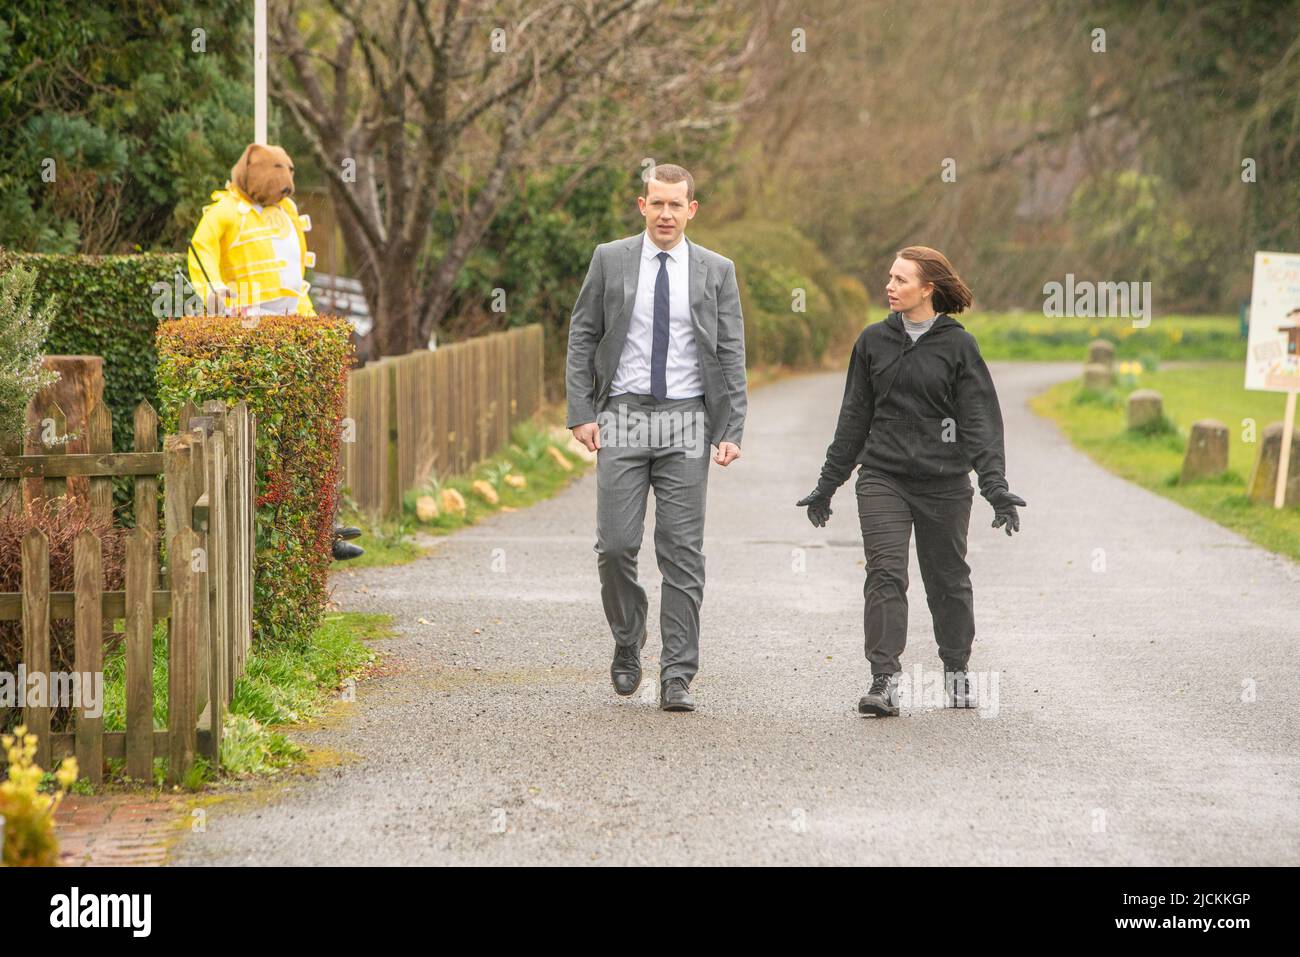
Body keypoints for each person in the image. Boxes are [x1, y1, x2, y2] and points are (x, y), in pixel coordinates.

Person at [796, 246, 1025, 717]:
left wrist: (995, 487)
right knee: (885, 573)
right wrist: (827, 484)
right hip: (883, 477)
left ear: (928, 289)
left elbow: (979, 421)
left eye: (901, 280)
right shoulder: (872, 342)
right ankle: (884, 681)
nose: (890, 286)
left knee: (948, 580)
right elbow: (853, 419)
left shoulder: (959, 347)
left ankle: (957, 669)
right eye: (890, 278)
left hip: (944, 483)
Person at [566, 164, 748, 712]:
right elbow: (583, 333)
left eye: (676, 205)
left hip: (688, 419)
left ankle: (677, 673)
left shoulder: (717, 270)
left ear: (692, 209)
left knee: (681, 551)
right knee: (616, 546)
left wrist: (731, 426)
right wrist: (581, 411)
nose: (666, 214)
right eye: (657, 203)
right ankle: (628, 638)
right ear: (641, 205)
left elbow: (732, 350)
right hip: (622, 414)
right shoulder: (610, 259)